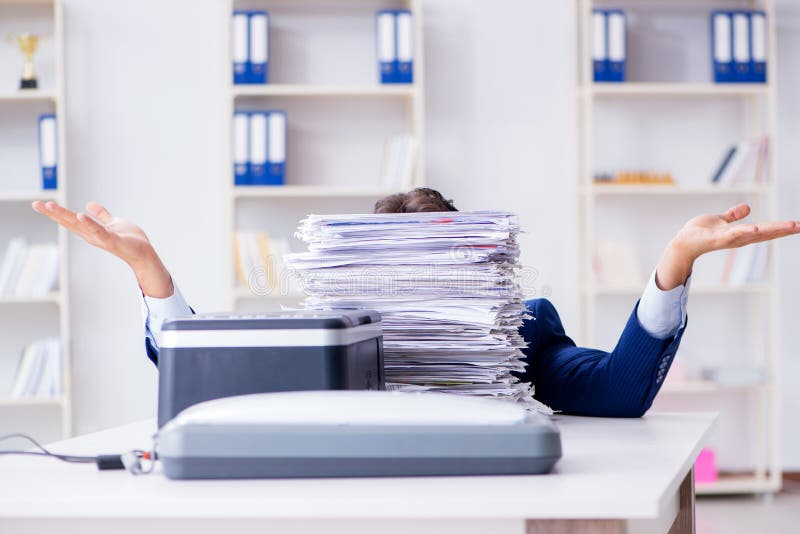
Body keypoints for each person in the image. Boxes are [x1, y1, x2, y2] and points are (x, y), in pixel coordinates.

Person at [32, 188, 800, 417]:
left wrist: (672, 264)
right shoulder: (334, 335)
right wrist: (149, 267)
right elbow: (199, 363)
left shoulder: (522, 326)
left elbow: (620, 390)